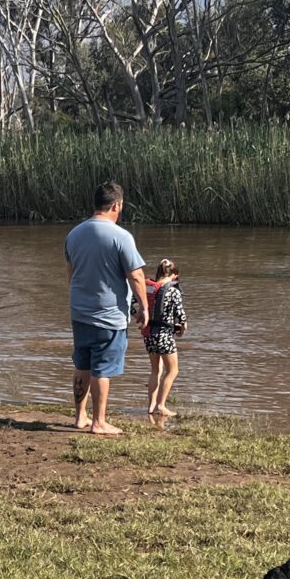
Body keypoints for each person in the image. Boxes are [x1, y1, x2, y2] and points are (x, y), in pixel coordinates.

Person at [65, 180, 148, 436]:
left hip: (79, 312)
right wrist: (144, 306)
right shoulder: (121, 236)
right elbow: (136, 276)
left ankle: (81, 417)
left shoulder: (74, 234)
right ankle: (99, 422)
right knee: (102, 368)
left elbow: (71, 274)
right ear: (117, 205)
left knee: (82, 363)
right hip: (109, 315)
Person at [144, 259, 188, 417]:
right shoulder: (173, 290)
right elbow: (180, 316)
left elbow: (132, 302)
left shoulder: (149, 287)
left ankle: (151, 406)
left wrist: (138, 316)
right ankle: (161, 406)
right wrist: (182, 328)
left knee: (155, 370)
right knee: (173, 370)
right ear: (175, 275)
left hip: (149, 334)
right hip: (164, 335)